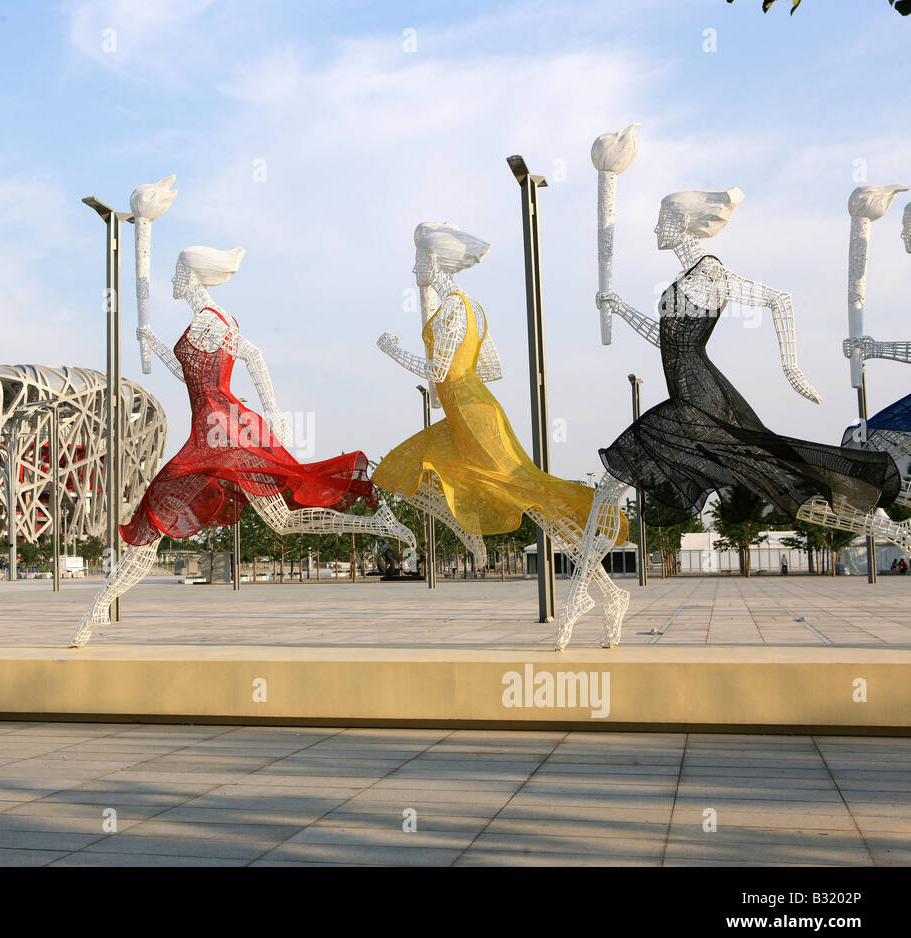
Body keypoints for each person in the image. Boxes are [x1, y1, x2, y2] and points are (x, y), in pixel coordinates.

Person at [570, 187, 900, 650]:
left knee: (618, 479)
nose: (654, 229)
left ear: (682, 223)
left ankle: (586, 592)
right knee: (776, 479)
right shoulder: (684, 279)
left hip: (700, 401)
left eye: (662, 219)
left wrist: (792, 368)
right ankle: (893, 530)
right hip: (689, 397)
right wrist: (622, 309)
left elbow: (778, 299)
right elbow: (668, 346)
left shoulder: (711, 272)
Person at [68, 245, 415, 647]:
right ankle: (96, 610)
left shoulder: (210, 321)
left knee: (178, 513)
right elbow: (194, 379)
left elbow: (253, 354)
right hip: (212, 431)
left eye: (179, 271)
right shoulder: (208, 321)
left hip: (223, 432)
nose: (173, 280)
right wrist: (156, 343)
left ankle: (95, 610)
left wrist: (275, 411)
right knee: (270, 520)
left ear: (193, 275)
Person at [375, 222, 630, 641]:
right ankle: (599, 588)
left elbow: (439, 371)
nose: (414, 268)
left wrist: (394, 350)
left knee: (526, 495)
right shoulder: (473, 308)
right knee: (431, 471)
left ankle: (599, 585)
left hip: (474, 419)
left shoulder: (454, 308)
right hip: (471, 412)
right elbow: (490, 368)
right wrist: (456, 374)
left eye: (419, 258)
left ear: (433, 260)